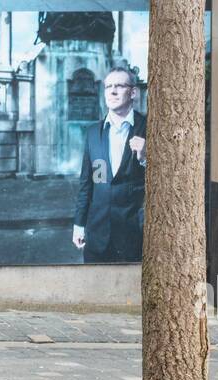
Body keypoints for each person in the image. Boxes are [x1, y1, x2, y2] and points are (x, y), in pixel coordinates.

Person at [72, 66, 147, 263]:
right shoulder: (93, 133)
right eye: (108, 87)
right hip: (97, 236)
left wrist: (146, 157)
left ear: (133, 92)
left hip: (134, 236)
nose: (112, 91)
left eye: (119, 86)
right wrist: (79, 224)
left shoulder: (149, 127)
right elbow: (87, 183)